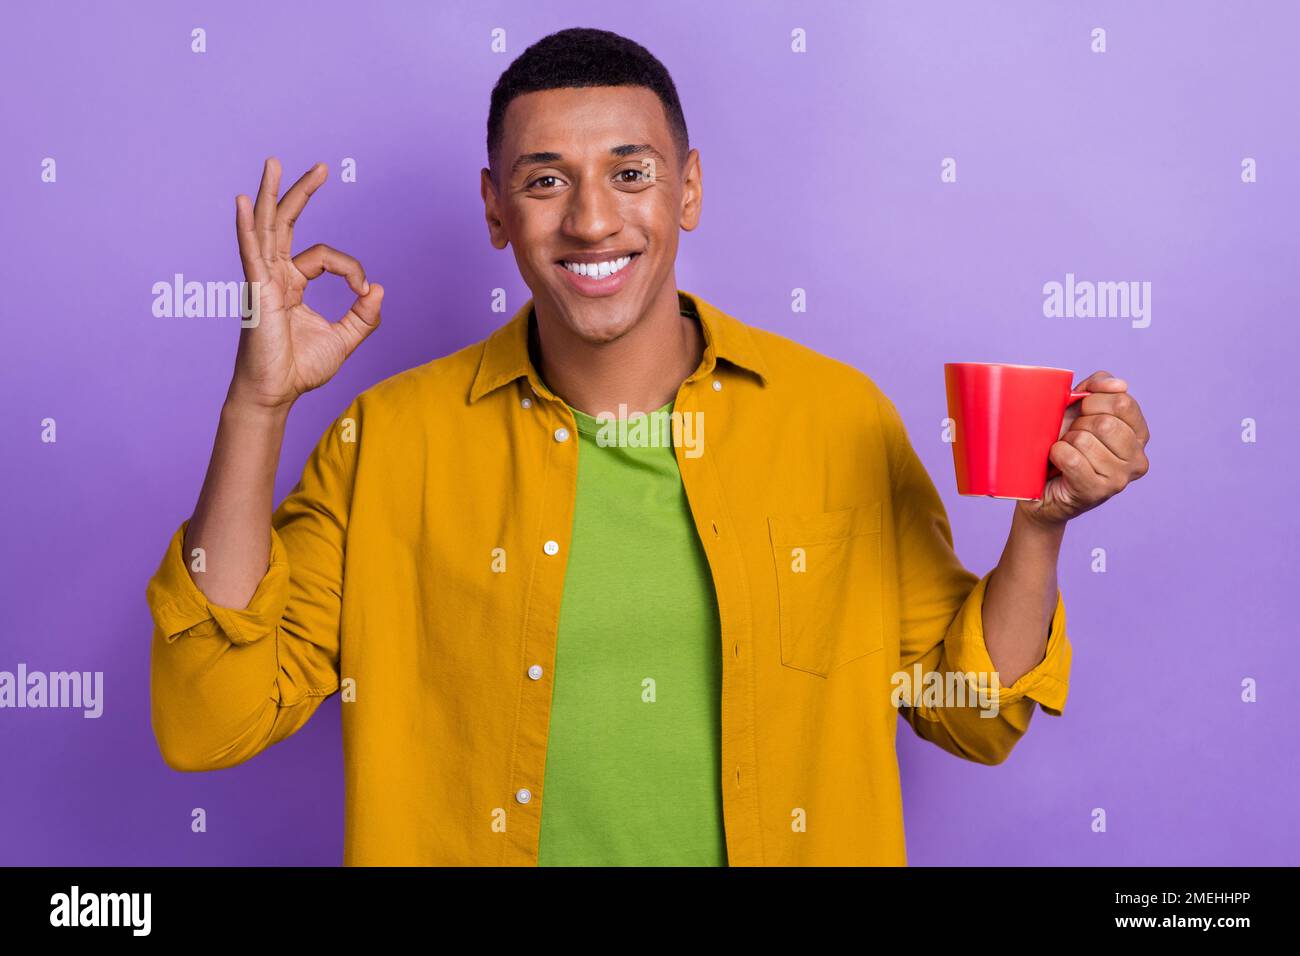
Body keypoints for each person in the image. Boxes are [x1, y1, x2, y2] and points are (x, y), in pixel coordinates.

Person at [145, 27, 1150, 866]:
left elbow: (971, 713)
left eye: (630, 173)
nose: (591, 220)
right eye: (545, 181)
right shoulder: (387, 440)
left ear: (687, 191)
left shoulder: (836, 418)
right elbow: (209, 718)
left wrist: (1038, 526)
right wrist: (258, 403)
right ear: (495, 209)